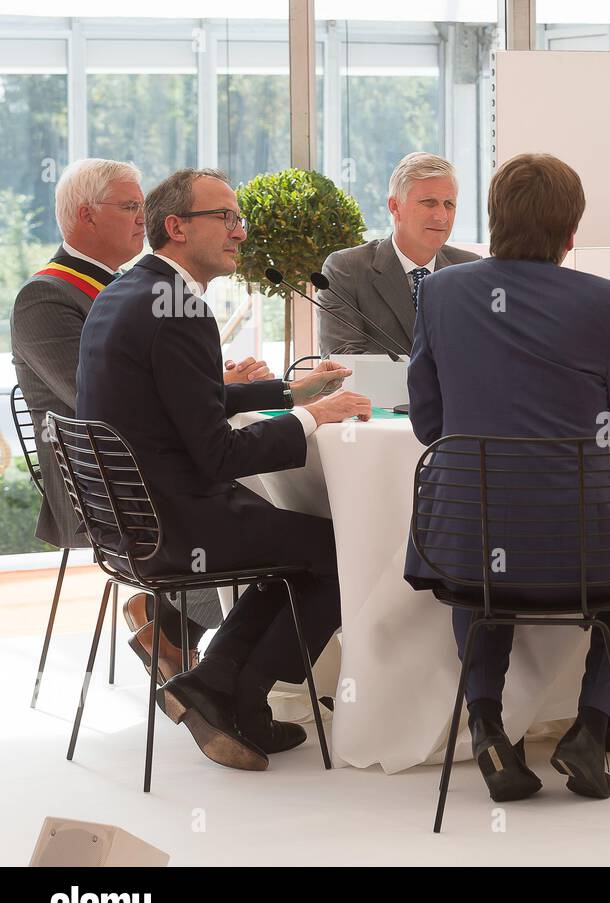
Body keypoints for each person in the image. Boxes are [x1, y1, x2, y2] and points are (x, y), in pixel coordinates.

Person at [77, 167, 371, 771]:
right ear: (176, 226)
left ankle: (217, 685)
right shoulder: (182, 309)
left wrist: (288, 394)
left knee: (297, 545)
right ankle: (240, 690)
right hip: (179, 521)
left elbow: (186, 401)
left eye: (239, 219)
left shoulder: (127, 293)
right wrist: (314, 417)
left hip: (133, 519)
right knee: (344, 549)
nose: (240, 231)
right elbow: (220, 455)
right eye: (226, 218)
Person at [404, 153, 610, 803]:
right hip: (580, 555)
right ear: (571, 232)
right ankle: (590, 727)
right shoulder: (604, 299)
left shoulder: (438, 291)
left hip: (460, 543)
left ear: (491, 220)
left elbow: (429, 421)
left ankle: (488, 727)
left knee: (482, 564)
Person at [10, 158, 264, 682]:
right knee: (254, 506)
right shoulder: (45, 296)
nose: (141, 218)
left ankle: (173, 626)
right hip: (95, 477)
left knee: (253, 489)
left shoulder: (134, 286)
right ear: (85, 216)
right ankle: (189, 642)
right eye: (130, 207)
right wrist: (215, 390)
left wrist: (214, 385)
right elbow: (95, 398)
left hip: (138, 453)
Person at [316, 152, 480, 355]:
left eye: (449, 204)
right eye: (429, 203)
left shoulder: (470, 270)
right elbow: (344, 360)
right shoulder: (346, 269)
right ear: (395, 206)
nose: (441, 216)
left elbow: (485, 354)